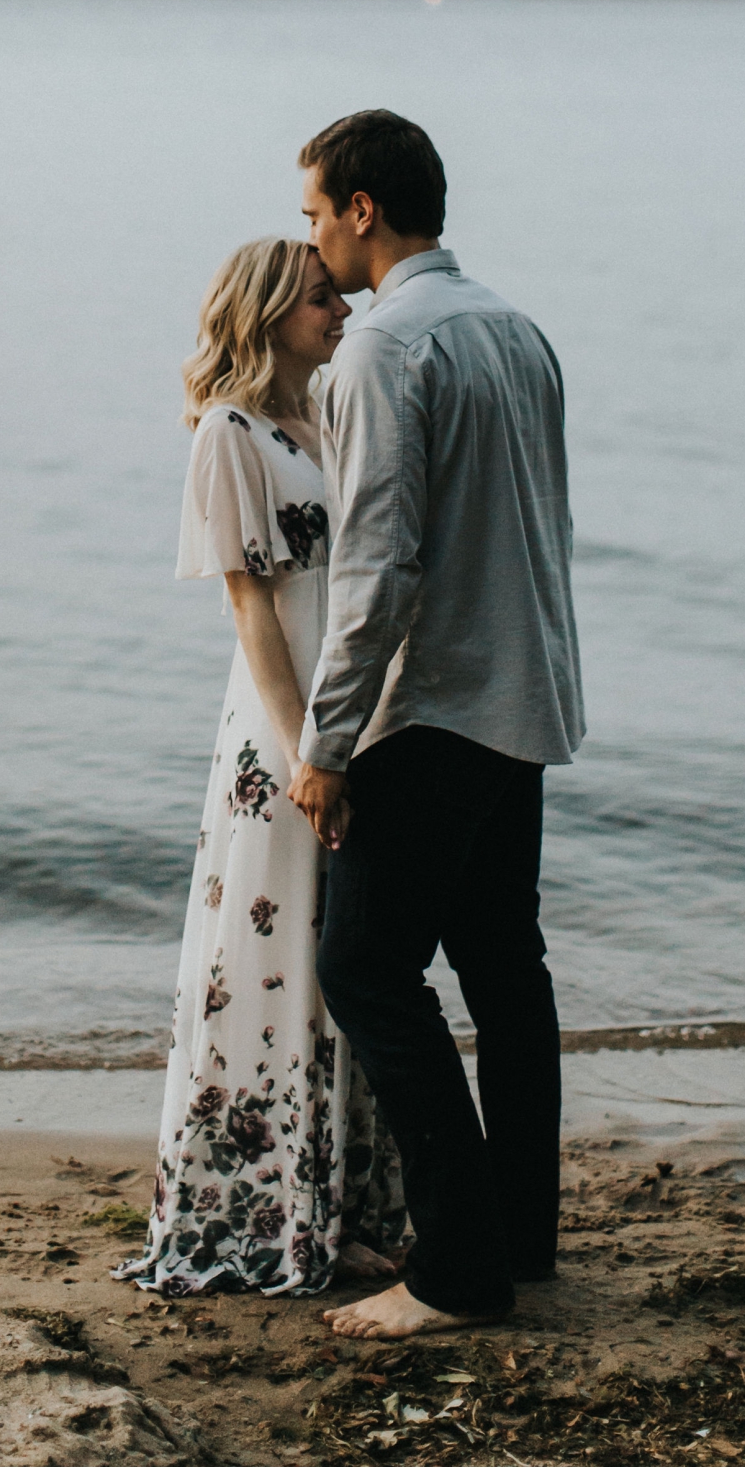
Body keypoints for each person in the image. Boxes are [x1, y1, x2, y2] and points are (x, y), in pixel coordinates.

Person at [286, 109, 585, 1338]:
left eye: (314, 212)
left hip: (437, 703)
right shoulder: (519, 330)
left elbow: (377, 569)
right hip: (526, 695)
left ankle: (458, 1266)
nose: (310, 241)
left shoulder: (382, 351)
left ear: (364, 209)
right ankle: (518, 1236)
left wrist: (324, 742)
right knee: (504, 971)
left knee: (365, 968)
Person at [116, 235, 406, 1298]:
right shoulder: (230, 436)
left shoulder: (324, 420)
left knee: (346, 959)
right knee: (280, 958)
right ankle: (279, 1213)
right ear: (273, 309)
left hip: (345, 722)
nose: (342, 310)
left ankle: (340, 1207)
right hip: (283, 734)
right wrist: (302, 757)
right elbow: (252, 611)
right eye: (324, 298)